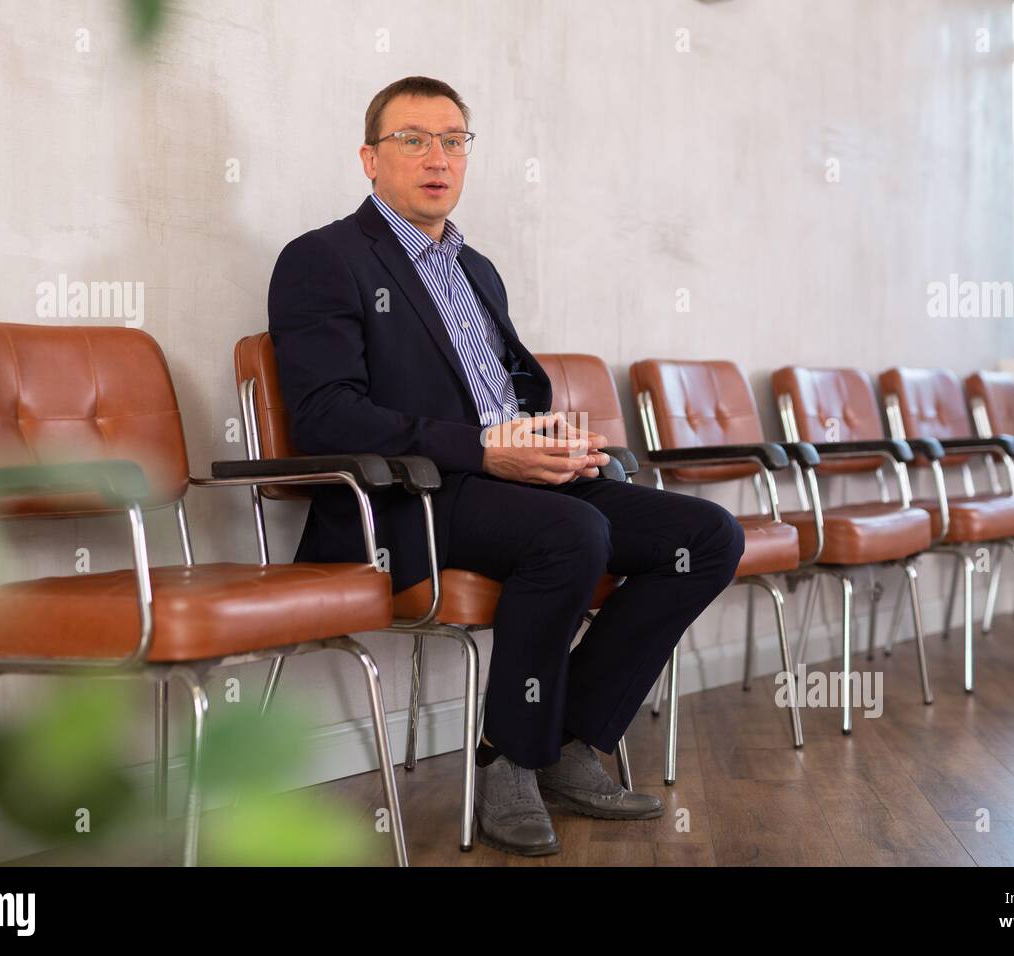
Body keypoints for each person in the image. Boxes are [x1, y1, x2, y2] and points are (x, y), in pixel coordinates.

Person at [268, 76, 744, 856]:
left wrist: (546, 438)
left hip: (508, 477)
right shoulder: (323, 260)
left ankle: (567, 739)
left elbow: (502, 393)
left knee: (707, 537)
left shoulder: (476, 269)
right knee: (573, 533)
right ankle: (510, 756)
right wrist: (487, 450)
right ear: (369, 159)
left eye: (454, 140)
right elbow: (326, 416)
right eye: (413, 139)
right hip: (408, 501)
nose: (437, 157)